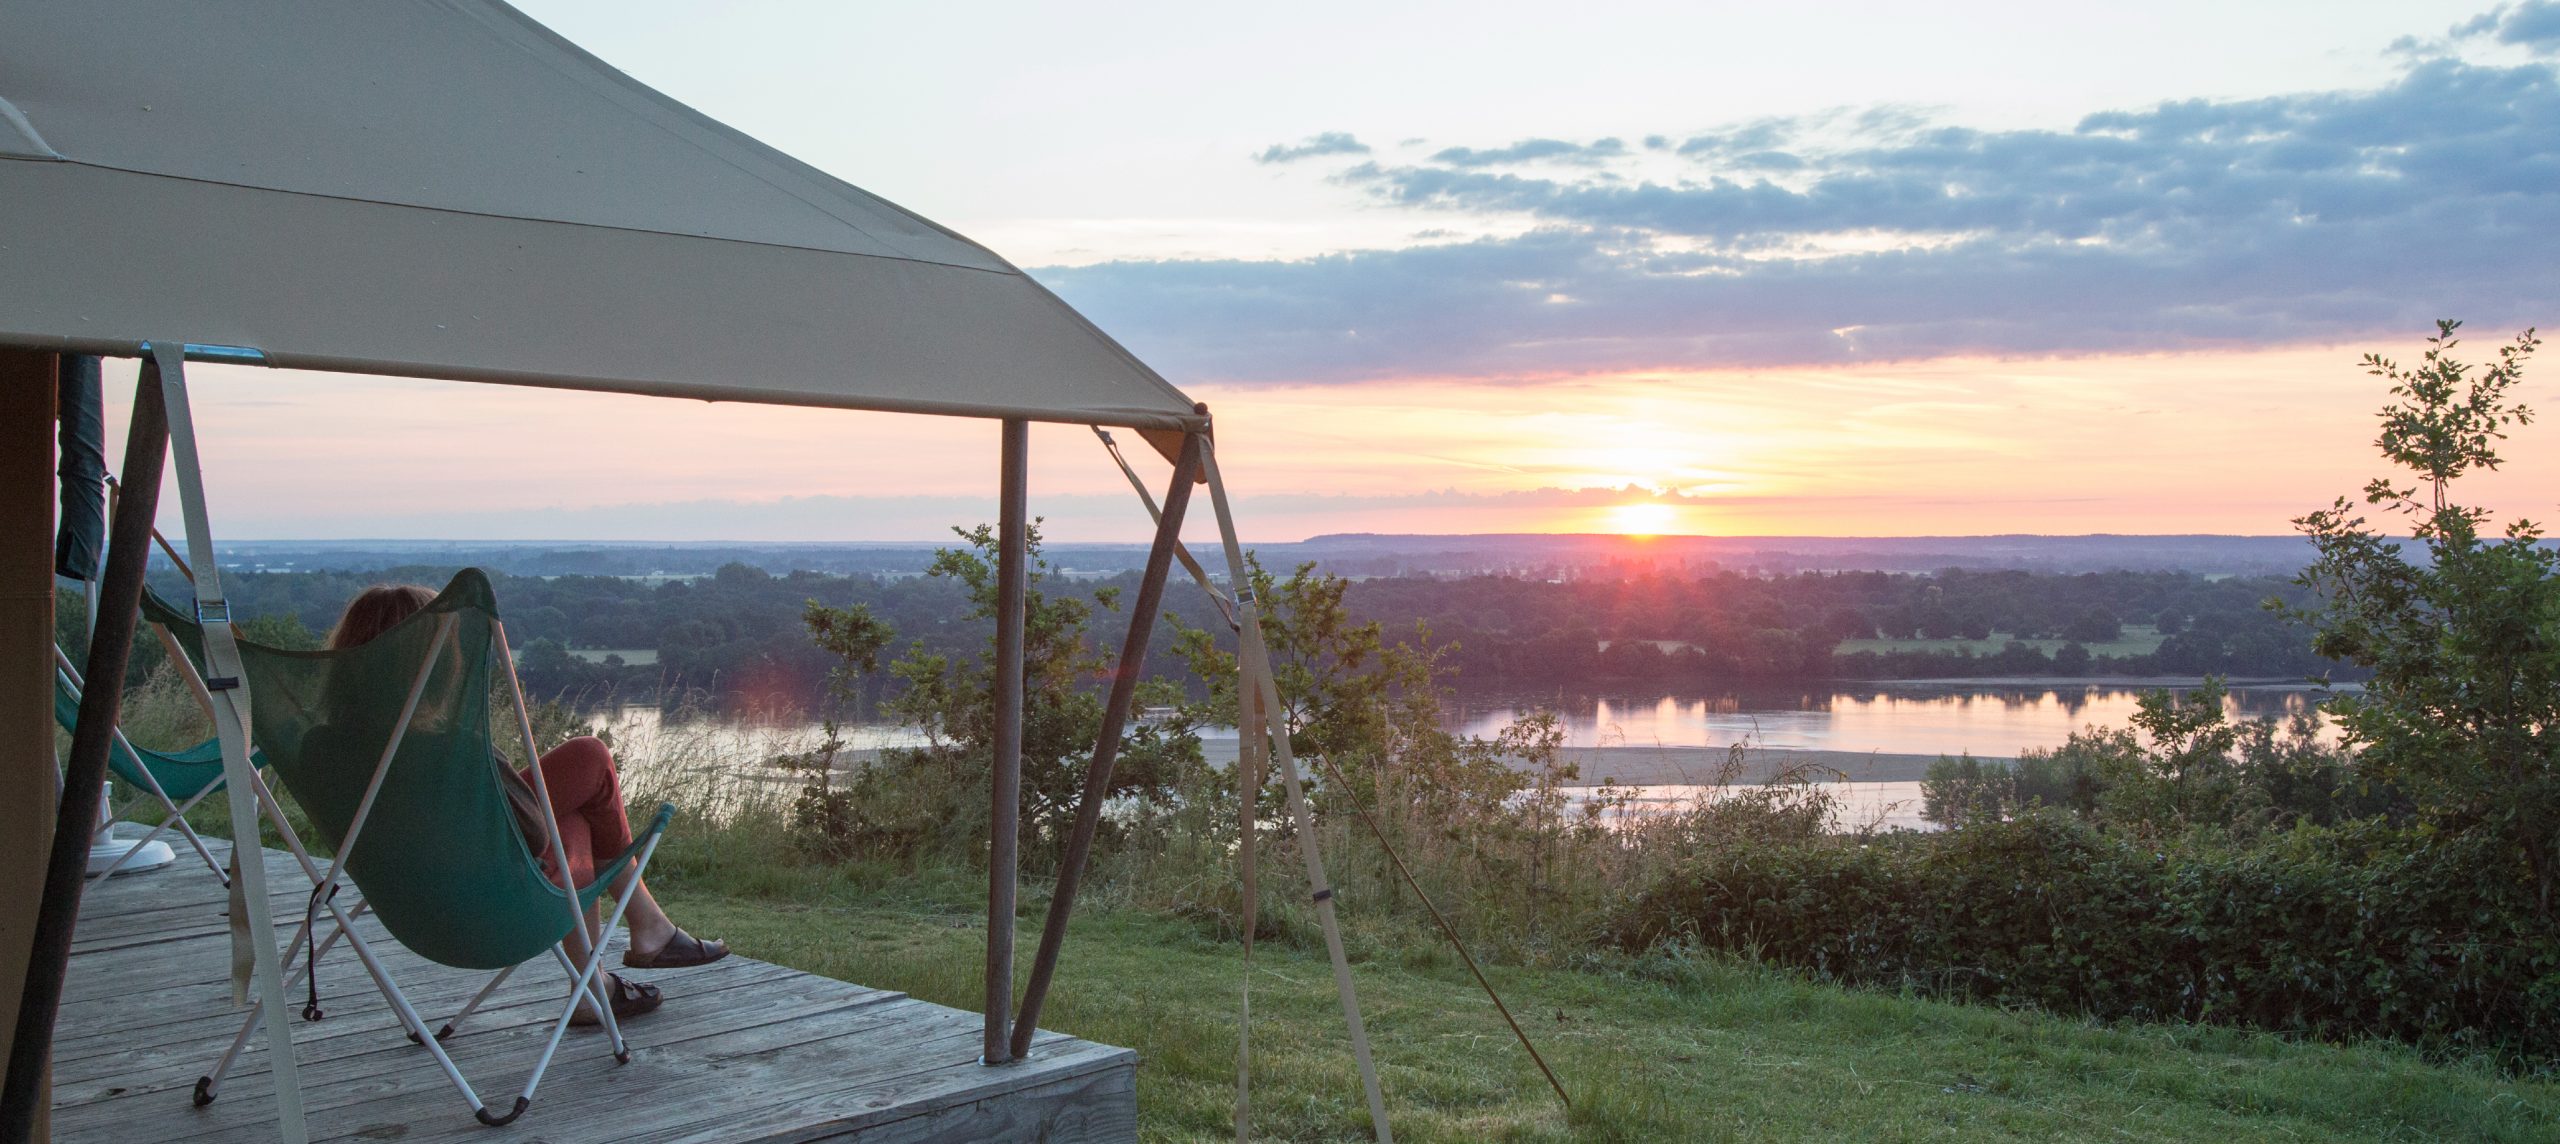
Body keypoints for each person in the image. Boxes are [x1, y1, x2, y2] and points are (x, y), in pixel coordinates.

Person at [328, 584, 725, 1024]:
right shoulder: (453, 750)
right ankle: (630, 946)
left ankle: (613, 968)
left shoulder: (321, 749)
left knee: (577, 796)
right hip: (490, 912)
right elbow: (532, 830)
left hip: (412, 913)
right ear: (433, 664)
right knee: (587, 768)